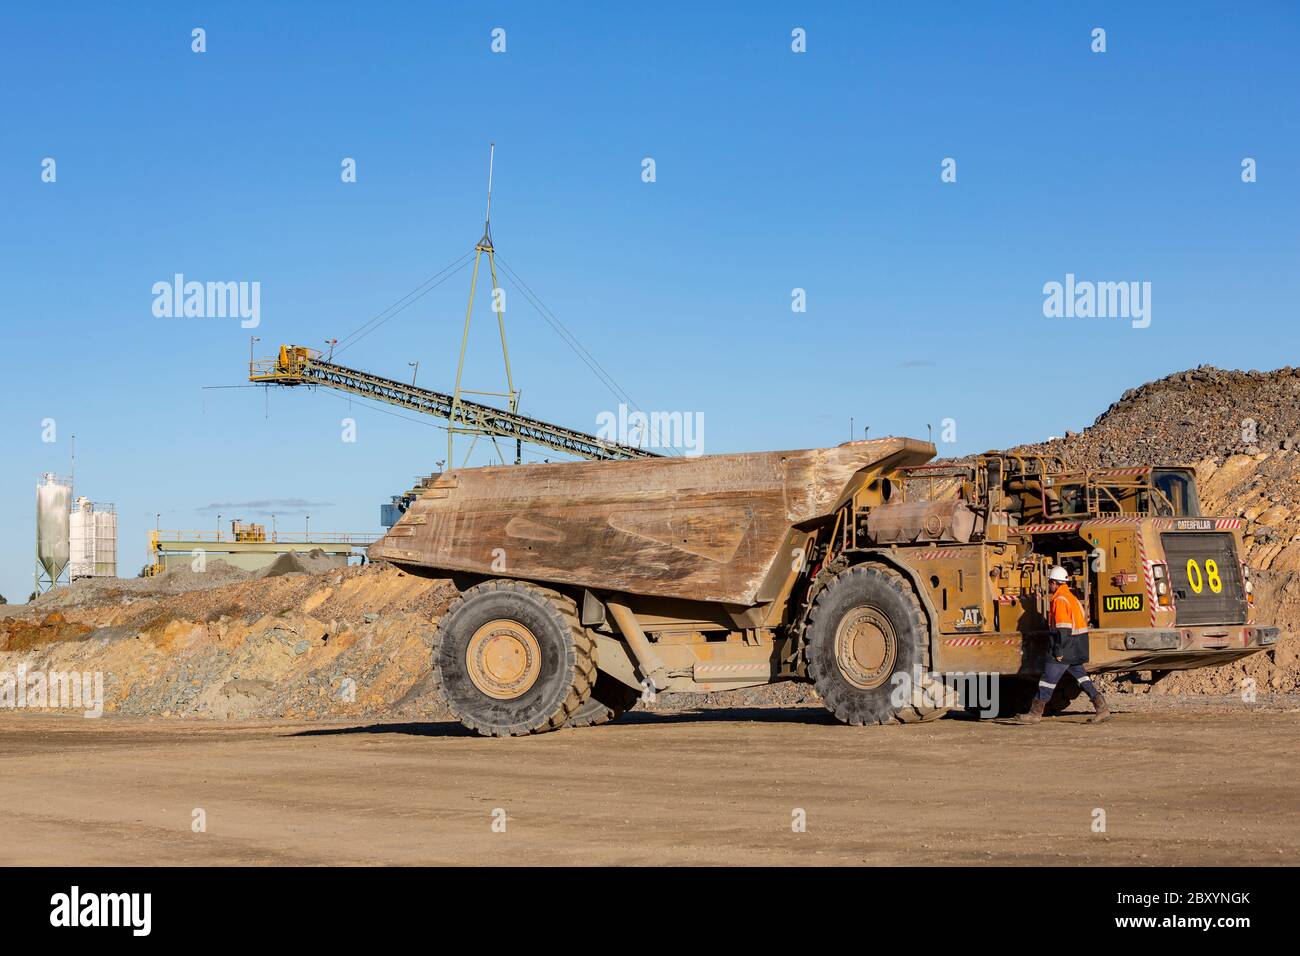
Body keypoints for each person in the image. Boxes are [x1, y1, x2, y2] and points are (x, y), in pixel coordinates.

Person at [1018, 566, 1110, 724]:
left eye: (1050, 583)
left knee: (1047, 679)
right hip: (1077, 645)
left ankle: (1035, 713)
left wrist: (1058, 649)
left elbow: (1063, 628)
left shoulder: (1060, 600)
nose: (1050, 586)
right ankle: (1101, 708)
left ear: (1054, 583)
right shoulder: (1071, 598)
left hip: (1065, 646)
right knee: (1082, 678)